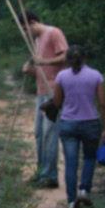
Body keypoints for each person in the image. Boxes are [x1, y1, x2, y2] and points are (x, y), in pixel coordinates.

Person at [52, 45, 105, 208]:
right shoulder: (96, 75)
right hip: (91, 123)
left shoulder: (61, 76)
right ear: (85, 58)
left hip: (68, 124)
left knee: (71, 163)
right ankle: (84, 190)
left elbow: (57, 103)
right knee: (89, 158)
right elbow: (103, 103)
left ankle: (71, 202)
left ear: (67, 60)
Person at [21, 10, 68, 188]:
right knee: (39, 133)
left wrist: (43, 61)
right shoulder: (37, 41)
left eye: (25, 29)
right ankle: (41, 172)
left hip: (54, 90)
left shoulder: (54, 32)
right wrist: (30, 70)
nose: (26, 33)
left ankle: (50, 176)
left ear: (33, 22)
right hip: (41, 91)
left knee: (49, 132)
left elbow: (66, 56)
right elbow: (40, 69)